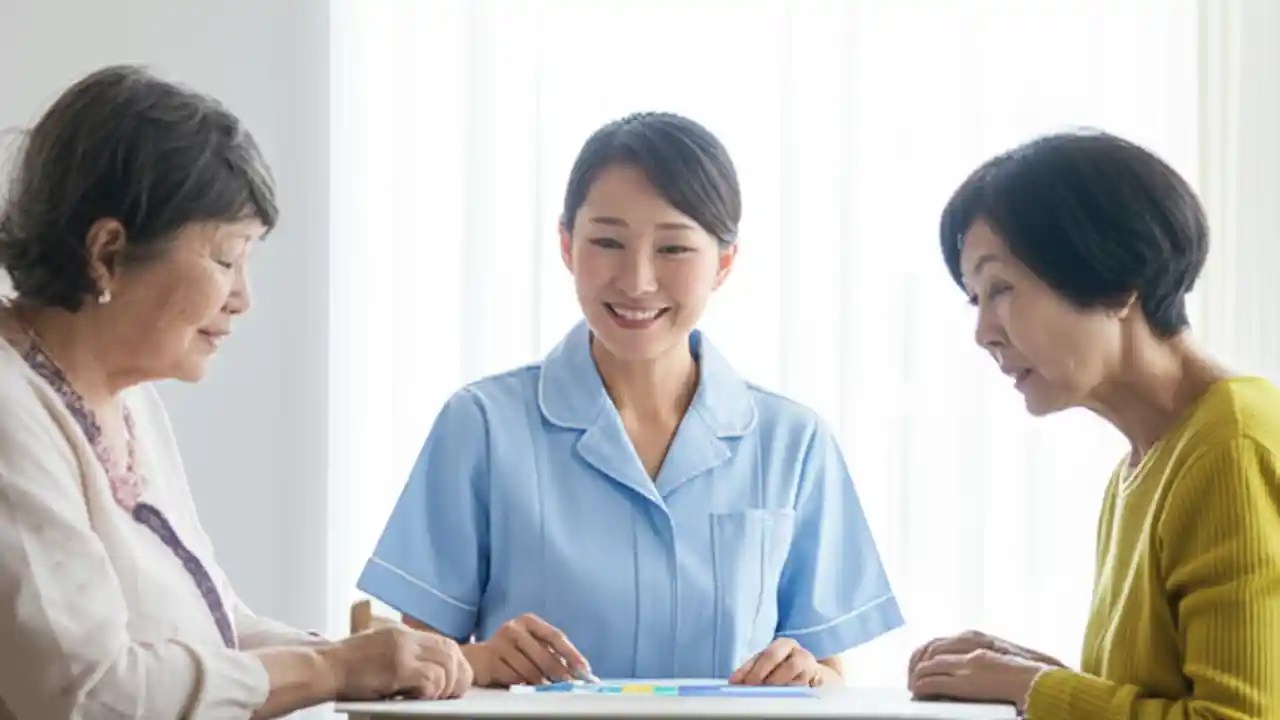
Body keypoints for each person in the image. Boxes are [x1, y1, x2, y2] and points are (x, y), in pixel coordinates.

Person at [358, 112, 902, 688]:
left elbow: (828, 672)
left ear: (724, 262)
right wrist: (481, 662)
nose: (638, 280)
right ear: (566, 246)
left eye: (673, 248)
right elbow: (412, 667)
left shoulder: (794, 442)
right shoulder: (482, 426)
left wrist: (810, 676)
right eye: (608, 242)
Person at [0, 65, 471, 719]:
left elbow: (214, 632)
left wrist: (385, 660)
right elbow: (88, 695)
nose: (243, 299)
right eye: (226, 259)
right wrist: (331, 668)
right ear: (107, 252)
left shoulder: (127, 402)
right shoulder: (10, 410)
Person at [906, 130, 1280, 718]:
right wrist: (1030, 675)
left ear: (1115, 279)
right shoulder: (1145, 463)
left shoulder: (1229, 447)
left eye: (1001, 288)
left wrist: (1030, 687)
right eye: (975, 298)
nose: (984, 333)